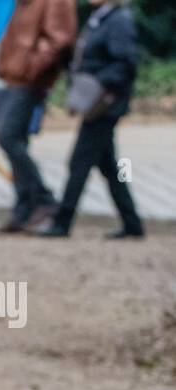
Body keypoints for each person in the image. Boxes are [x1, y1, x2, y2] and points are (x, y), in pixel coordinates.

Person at [39, 0, 144, 239]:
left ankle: (62, 221)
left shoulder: (118, 21)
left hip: (105, 105)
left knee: (79, 162)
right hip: (97, 104)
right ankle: (132, 223)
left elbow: (125, 63)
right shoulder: (101, 18)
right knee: (108, 166)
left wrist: (96, 85)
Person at [0, 0, 77, 233]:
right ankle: (25, 207)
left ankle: (43, 199)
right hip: (18, 78)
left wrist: (31, 67)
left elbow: (60, 40)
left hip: (29, 80)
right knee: (15, 139)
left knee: (7, 137)